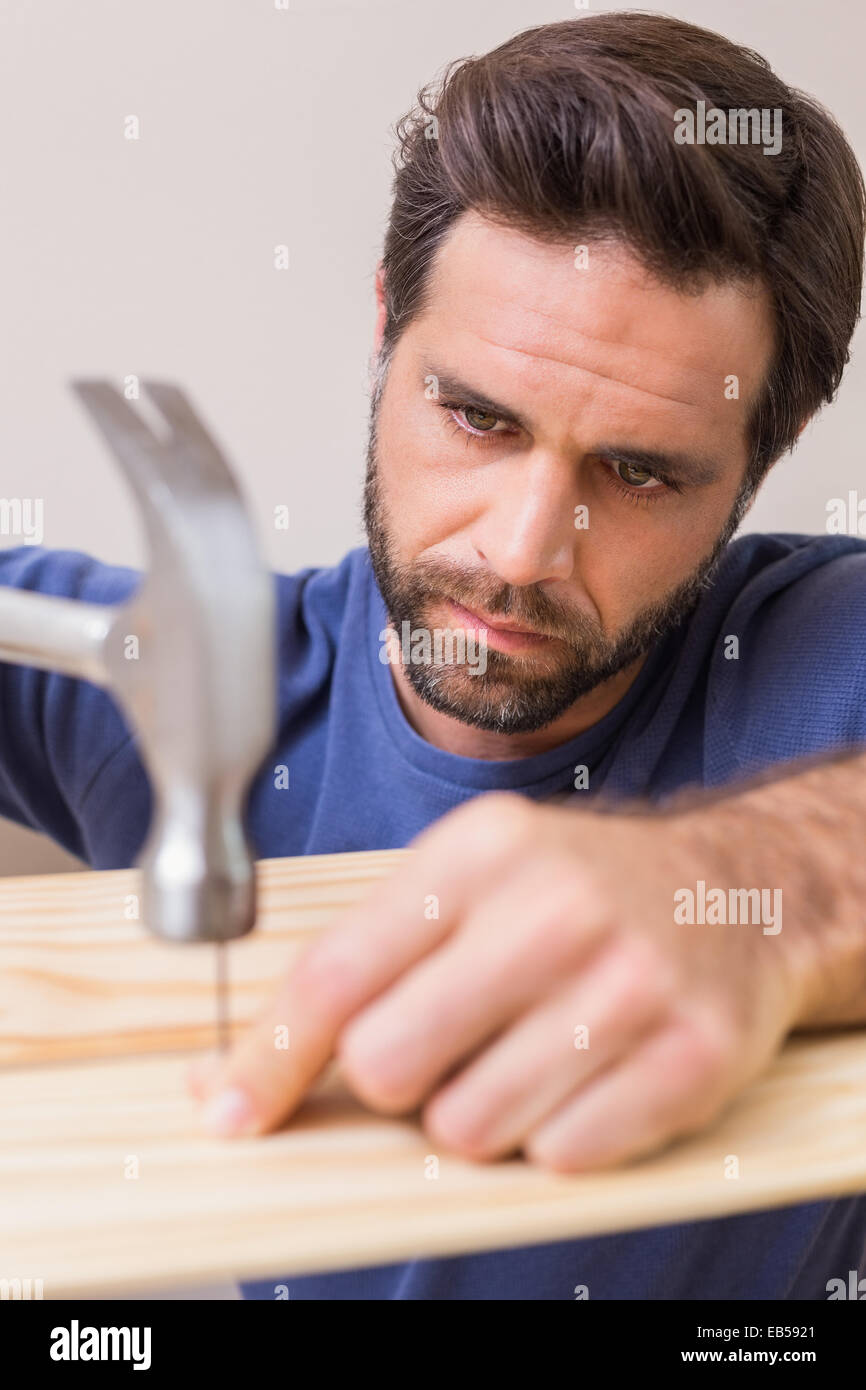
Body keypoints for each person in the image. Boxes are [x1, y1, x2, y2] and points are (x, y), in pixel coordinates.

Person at [2, 12, 865, 1299]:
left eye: (637, 473)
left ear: (764, 457)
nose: (521, 550)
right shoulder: (176, 676)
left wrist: (749, 886)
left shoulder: (813, 652)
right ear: (382, 327)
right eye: (475, 415)